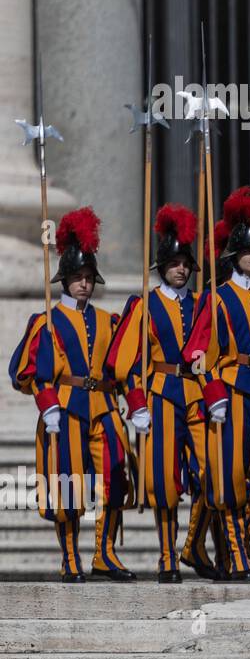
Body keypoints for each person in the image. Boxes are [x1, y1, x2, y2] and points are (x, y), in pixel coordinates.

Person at [9, 207, 134, 582]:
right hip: (65, 410)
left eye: (88, 277)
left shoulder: (106, 320)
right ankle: (70, 557)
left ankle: (104, 553)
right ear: (64, 279)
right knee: (69, 485)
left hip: (103, 408)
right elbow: (24, 371)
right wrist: (47, 406)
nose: (83, 284)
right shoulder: (46, 322)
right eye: (77, 277)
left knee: (114, 478)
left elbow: (119, 364)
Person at [183, 187, 250, 580]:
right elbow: (196, 354)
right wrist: (212, 392)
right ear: (233, 254)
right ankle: (237, 551)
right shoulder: (217, 297)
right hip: (229, 388)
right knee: (231, 474)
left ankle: (234, 542)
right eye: (248, 249)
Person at [108, 203, 209, 582]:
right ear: (162, 266)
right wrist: (136, 403)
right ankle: (167, 555)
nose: (181, 268)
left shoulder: (202, 305)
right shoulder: (145, 305)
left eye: (185, 262)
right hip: (161, 395)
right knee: (164, 482)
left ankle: (193, 545)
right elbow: (126, 361)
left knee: (213, 473)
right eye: (174, 262)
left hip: (197, 394)